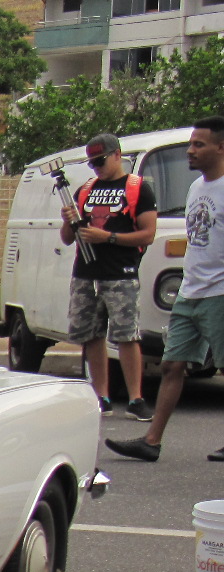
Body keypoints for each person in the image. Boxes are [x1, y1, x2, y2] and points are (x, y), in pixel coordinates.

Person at [107, 118, 224, 463]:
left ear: (221, 147)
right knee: (172, 365)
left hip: (220, 292)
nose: (191, 151)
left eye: (199, 145)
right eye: (191, 144)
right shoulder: (196, 189)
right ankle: (152, 441)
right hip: (191, 291)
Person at [59, 132, 157, 418]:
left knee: (126, 335)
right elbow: (67, 238)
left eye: (100, 161)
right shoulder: (86, 189)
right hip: (85, 272)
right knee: (91, 335)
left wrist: (107, 237)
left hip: (120, 273)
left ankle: (136, 398)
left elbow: (148, 234)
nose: (96, 167)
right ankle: (101, 395)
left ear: (117, 155)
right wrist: (69, 221)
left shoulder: (138, 188)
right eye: (92, 163)